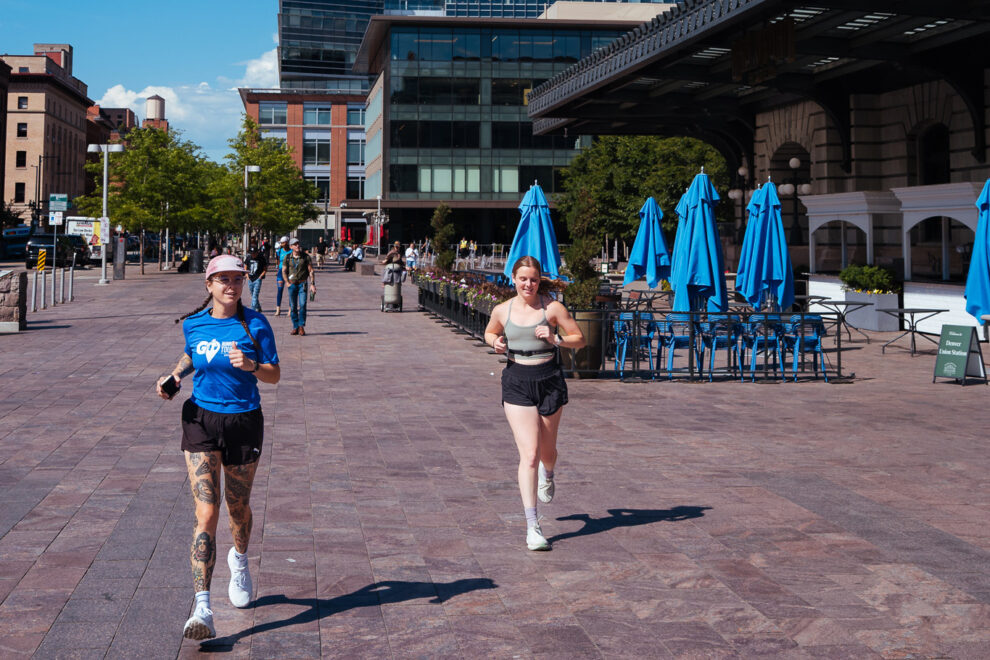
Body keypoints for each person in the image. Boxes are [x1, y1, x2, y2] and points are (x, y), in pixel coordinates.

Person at [156, 254, 281, 640]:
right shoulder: (194, 323)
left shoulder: (255, 324)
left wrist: (252, 367)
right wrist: (174, 376)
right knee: (206, 511)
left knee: (237, 506)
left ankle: (239, 560)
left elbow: (274, 375)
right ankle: (203, 606)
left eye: (238, 279)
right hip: (201, 421)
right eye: (223, 279)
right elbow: (193, 353)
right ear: (208, 285)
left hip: (244, 421)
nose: (232, 285)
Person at [483, 256, 585, 552]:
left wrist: (557, 340)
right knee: (528, 454)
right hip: (516, 380)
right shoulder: (503, 310)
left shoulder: (552, 308)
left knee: (546, 452)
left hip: (549, 379)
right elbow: (490, 331)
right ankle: (532, 526)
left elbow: (578, 338)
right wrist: (495, 343)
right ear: (513, 279)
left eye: (534, 280)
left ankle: (549, 472)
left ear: (540, 281)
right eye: (523, 279)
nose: (528, 284)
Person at [282, 238, 315, 336]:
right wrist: (287, 282)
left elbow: (311, 271)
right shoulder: (287, 257)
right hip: (292, 284)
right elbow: (284, 271)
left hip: (302, 284)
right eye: (295, 244)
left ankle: (301, 326)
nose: (297, 246)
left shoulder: (305, 257)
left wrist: (312, 284)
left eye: (298, 244)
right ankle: (295, 326)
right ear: (291, 247)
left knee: (303, 305)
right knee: (293, 306)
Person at [246, 245, 267, 313]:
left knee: (255, 295)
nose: (253, 255)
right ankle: (258, 307)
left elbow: (265, 269)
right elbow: (245, 267)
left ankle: (252, 310)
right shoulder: (248, 258)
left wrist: (260, 276)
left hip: (257, 279)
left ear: (257, 252)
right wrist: (247, 276)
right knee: (252, 294)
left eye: (254, 253)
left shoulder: (261, 258)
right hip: (250, 278)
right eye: (252, 253)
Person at [274, 236, 291, 317]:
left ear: (287, 242)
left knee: (291, 290)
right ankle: (278, 309)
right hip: (281, 272)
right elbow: (277, 260)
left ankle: (290, 309)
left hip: (289, 272)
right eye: (281, 243)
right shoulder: (279, 251)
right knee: (280, 290)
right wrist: (277, 268)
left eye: (283, 242)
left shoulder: (291, 251)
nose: (282, 244)